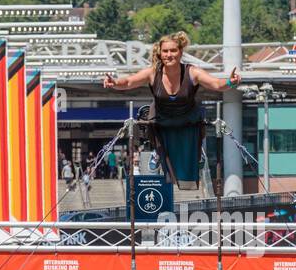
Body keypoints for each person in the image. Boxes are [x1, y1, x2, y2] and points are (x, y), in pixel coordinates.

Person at [102, 31, 240, 188]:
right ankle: (157, 152)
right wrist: (115, 83)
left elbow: (216, 84)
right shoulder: (153, 72)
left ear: (180, 52)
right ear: (160, 53)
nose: (169, 55)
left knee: (191, 134)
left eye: (173, 50)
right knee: (151, 120)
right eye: (165, 51)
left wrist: (230, 82)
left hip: (187, 119)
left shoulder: (192, 71)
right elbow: (128, 82)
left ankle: (197, 151)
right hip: (162, 120)